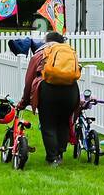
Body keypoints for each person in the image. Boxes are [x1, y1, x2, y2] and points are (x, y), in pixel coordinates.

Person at [17, 31, 81, 166]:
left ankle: (52, 158)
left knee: (48, 124)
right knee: (64, 122)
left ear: (46, 41)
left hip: (47, 89)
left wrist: (24, 101)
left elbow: (29, 80)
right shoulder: (69, 52)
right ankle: (60, 153)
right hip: (71, 90)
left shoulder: (40, 54)